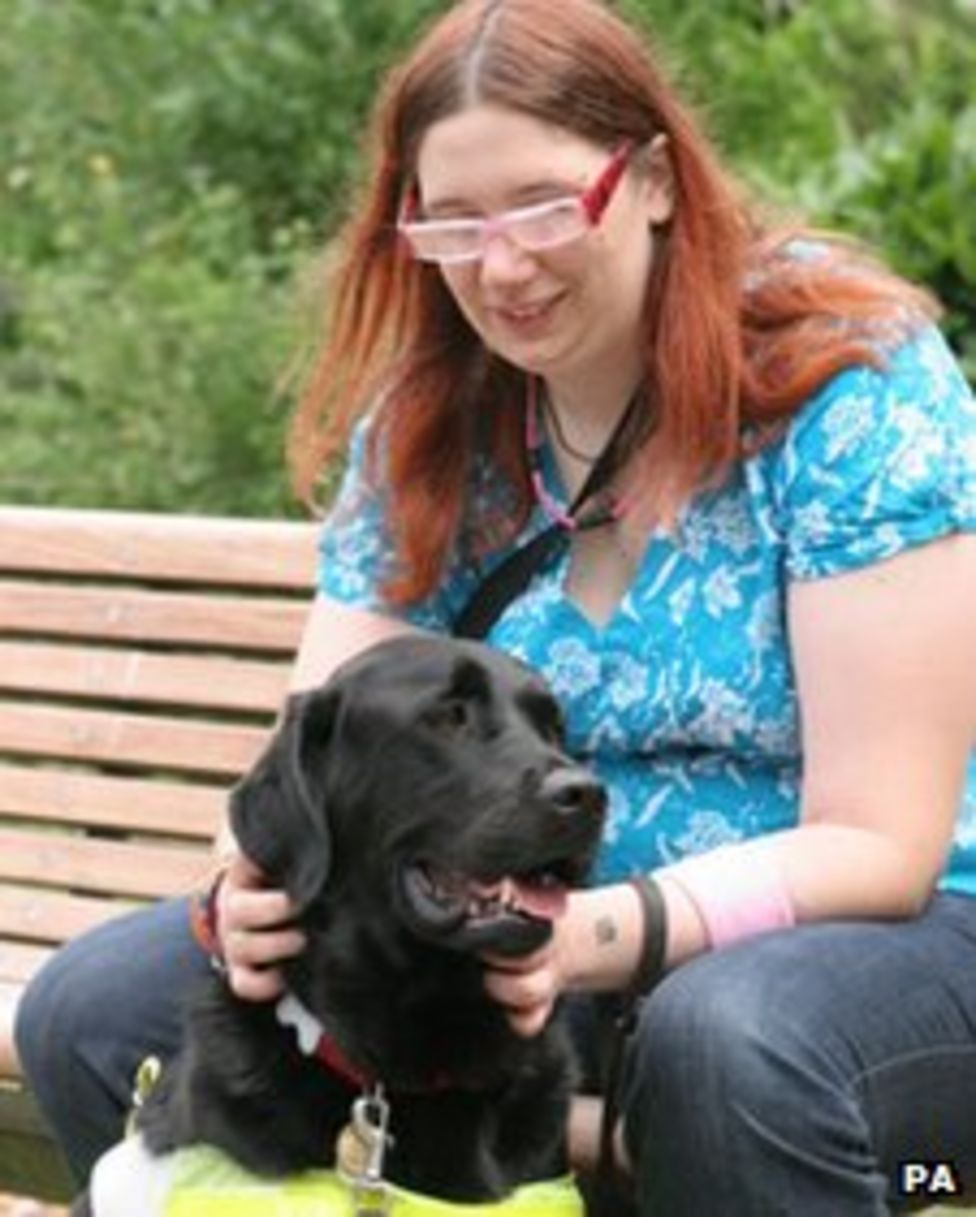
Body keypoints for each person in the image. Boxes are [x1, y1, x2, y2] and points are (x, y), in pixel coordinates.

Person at [15, 0, 976, 1212]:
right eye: (451, 223)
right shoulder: (429, 421)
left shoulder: (839, 381)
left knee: (724, 1040)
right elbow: (323, 734)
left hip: (890, 946)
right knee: (99, 1007)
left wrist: (595, 934)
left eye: (541, 205)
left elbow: (881, 843)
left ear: (655, 181)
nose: (500, 264)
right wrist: (244, 895)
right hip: (516, 922)